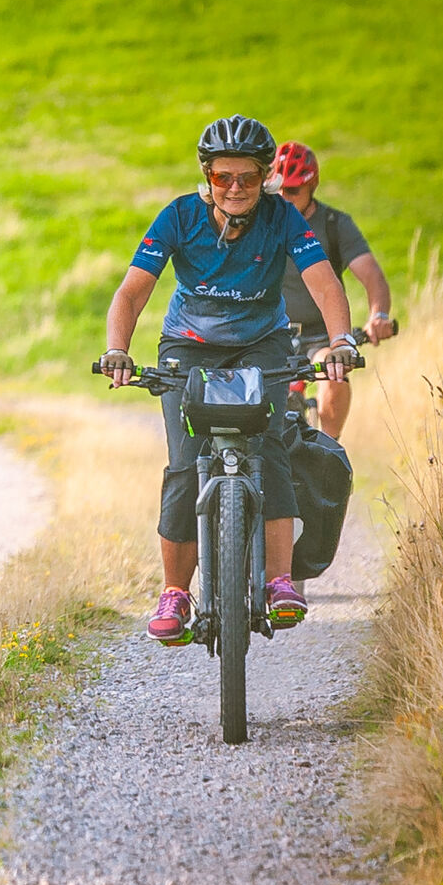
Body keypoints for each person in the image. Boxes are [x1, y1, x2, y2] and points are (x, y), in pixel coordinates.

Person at [98, 116, 356, 640]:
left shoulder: (283, 218)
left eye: (246, 177)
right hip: (187, 348)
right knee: (184, 463)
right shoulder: (179, 216)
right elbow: (131, 292)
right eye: (223, 177)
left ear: (266, 178)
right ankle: (175, 592)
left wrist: (340, 342)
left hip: (262, 345)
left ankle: (278, 581)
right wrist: (117, 351)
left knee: (273, 449)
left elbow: (325, 283)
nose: (235, 188)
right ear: (207, 177)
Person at [271, 141, 395, 438]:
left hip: (319, 336)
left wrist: (378, 314)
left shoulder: (333, 224)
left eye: (293, 191)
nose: (284, 199)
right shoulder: (261, 221)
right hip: (270, 335)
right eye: (278, 190)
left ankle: (329, 452)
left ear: (312, 185)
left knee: (334, 371)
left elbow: (372, 275)